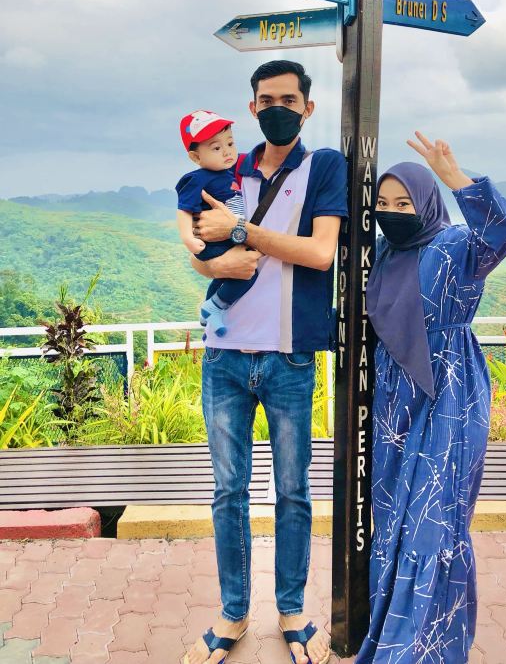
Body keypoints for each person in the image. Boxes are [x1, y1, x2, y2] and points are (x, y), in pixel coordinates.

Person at [183, 60, 347, 664]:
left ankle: (291, 610)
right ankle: (232, 616)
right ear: (252, 108)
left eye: (288, 98)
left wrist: (243, 231)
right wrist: (211, 264)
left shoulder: (324, 166)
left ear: (307, 107)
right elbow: (201, 246)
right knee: (228, 492)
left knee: (293, 493)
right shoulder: (231, 166)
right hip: (224, 356)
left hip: (288, 358)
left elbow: (321, 253)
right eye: (265, 98)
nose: (276, 106)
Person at [357, 131, 506, 664]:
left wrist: (457, 179)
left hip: (449, 394)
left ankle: (422, 649)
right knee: (392, 517)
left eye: (404, 203)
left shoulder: (454, 245)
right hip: (392, 401)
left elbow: (503, 231)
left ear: (425, 203)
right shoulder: (383, 253)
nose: (392, 212)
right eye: (382, 204)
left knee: (435, 519)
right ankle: (388, 632)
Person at [175, 110, 251, 338]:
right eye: (216, 148)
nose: (227, 152)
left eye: (230, 143)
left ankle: (209, 315)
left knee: (224, 277)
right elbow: (184, 210)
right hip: (214, 243)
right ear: (196, 157)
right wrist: (188, 238)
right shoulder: (197, 179)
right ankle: (215, 306)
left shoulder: (230, 174)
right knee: (248, 272)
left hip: (227, 236)